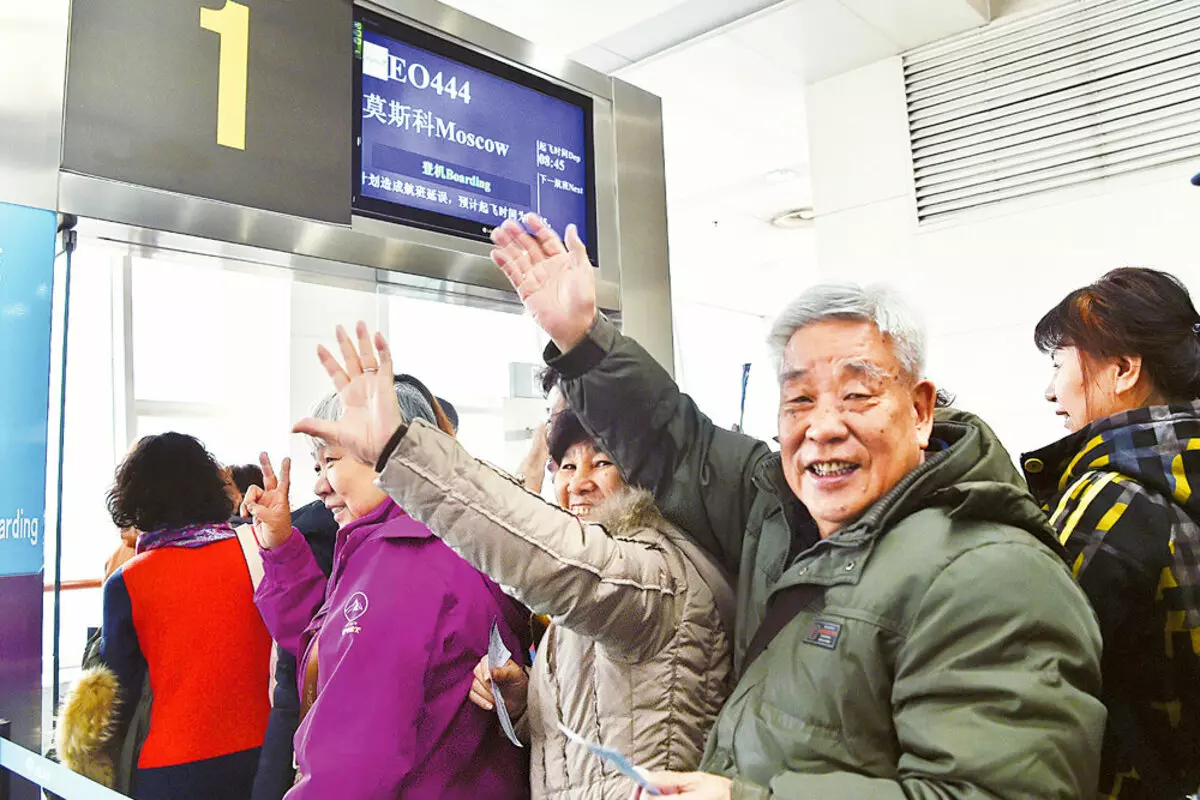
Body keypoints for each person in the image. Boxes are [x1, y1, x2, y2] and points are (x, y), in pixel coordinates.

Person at [488, 215, 1106, 798]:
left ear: (919, 411)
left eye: (858, 394)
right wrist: (580, 340)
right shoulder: (779, 512)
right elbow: (675, 444)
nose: (824, 427)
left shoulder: (994, 576)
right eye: (800, 401)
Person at [292, 323, 734, 799]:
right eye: (566, 464)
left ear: (643, 470)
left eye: (601, 462)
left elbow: (536, 552)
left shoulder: (652, 574)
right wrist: (523, 704)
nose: (578, 482)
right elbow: (596, 721)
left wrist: (404, 457)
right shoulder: (614, 560)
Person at [245, 374, 531, 800]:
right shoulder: (416, 539)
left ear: (392, 457)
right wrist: (283, 551)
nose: (320, 485)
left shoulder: (406, 561)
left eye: (333, 461)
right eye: (318, 465)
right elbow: (331, 647)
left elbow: (354, 758)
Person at [1021, 267, 1200, 799]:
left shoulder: (1110, 498)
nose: (1051, 392)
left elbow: (1029, 670)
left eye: (1059, 365)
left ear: (1123, 369)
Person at [99, 432, 272, 799]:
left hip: (173, 769)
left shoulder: (126, 582)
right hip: (263, 755)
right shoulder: (259, 551)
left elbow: (117, 692)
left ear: (136, 499)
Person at [250, 498, 337, 800]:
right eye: (319, 466)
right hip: (304, 714)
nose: (322, 483)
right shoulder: (318, 527)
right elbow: (304, 641)